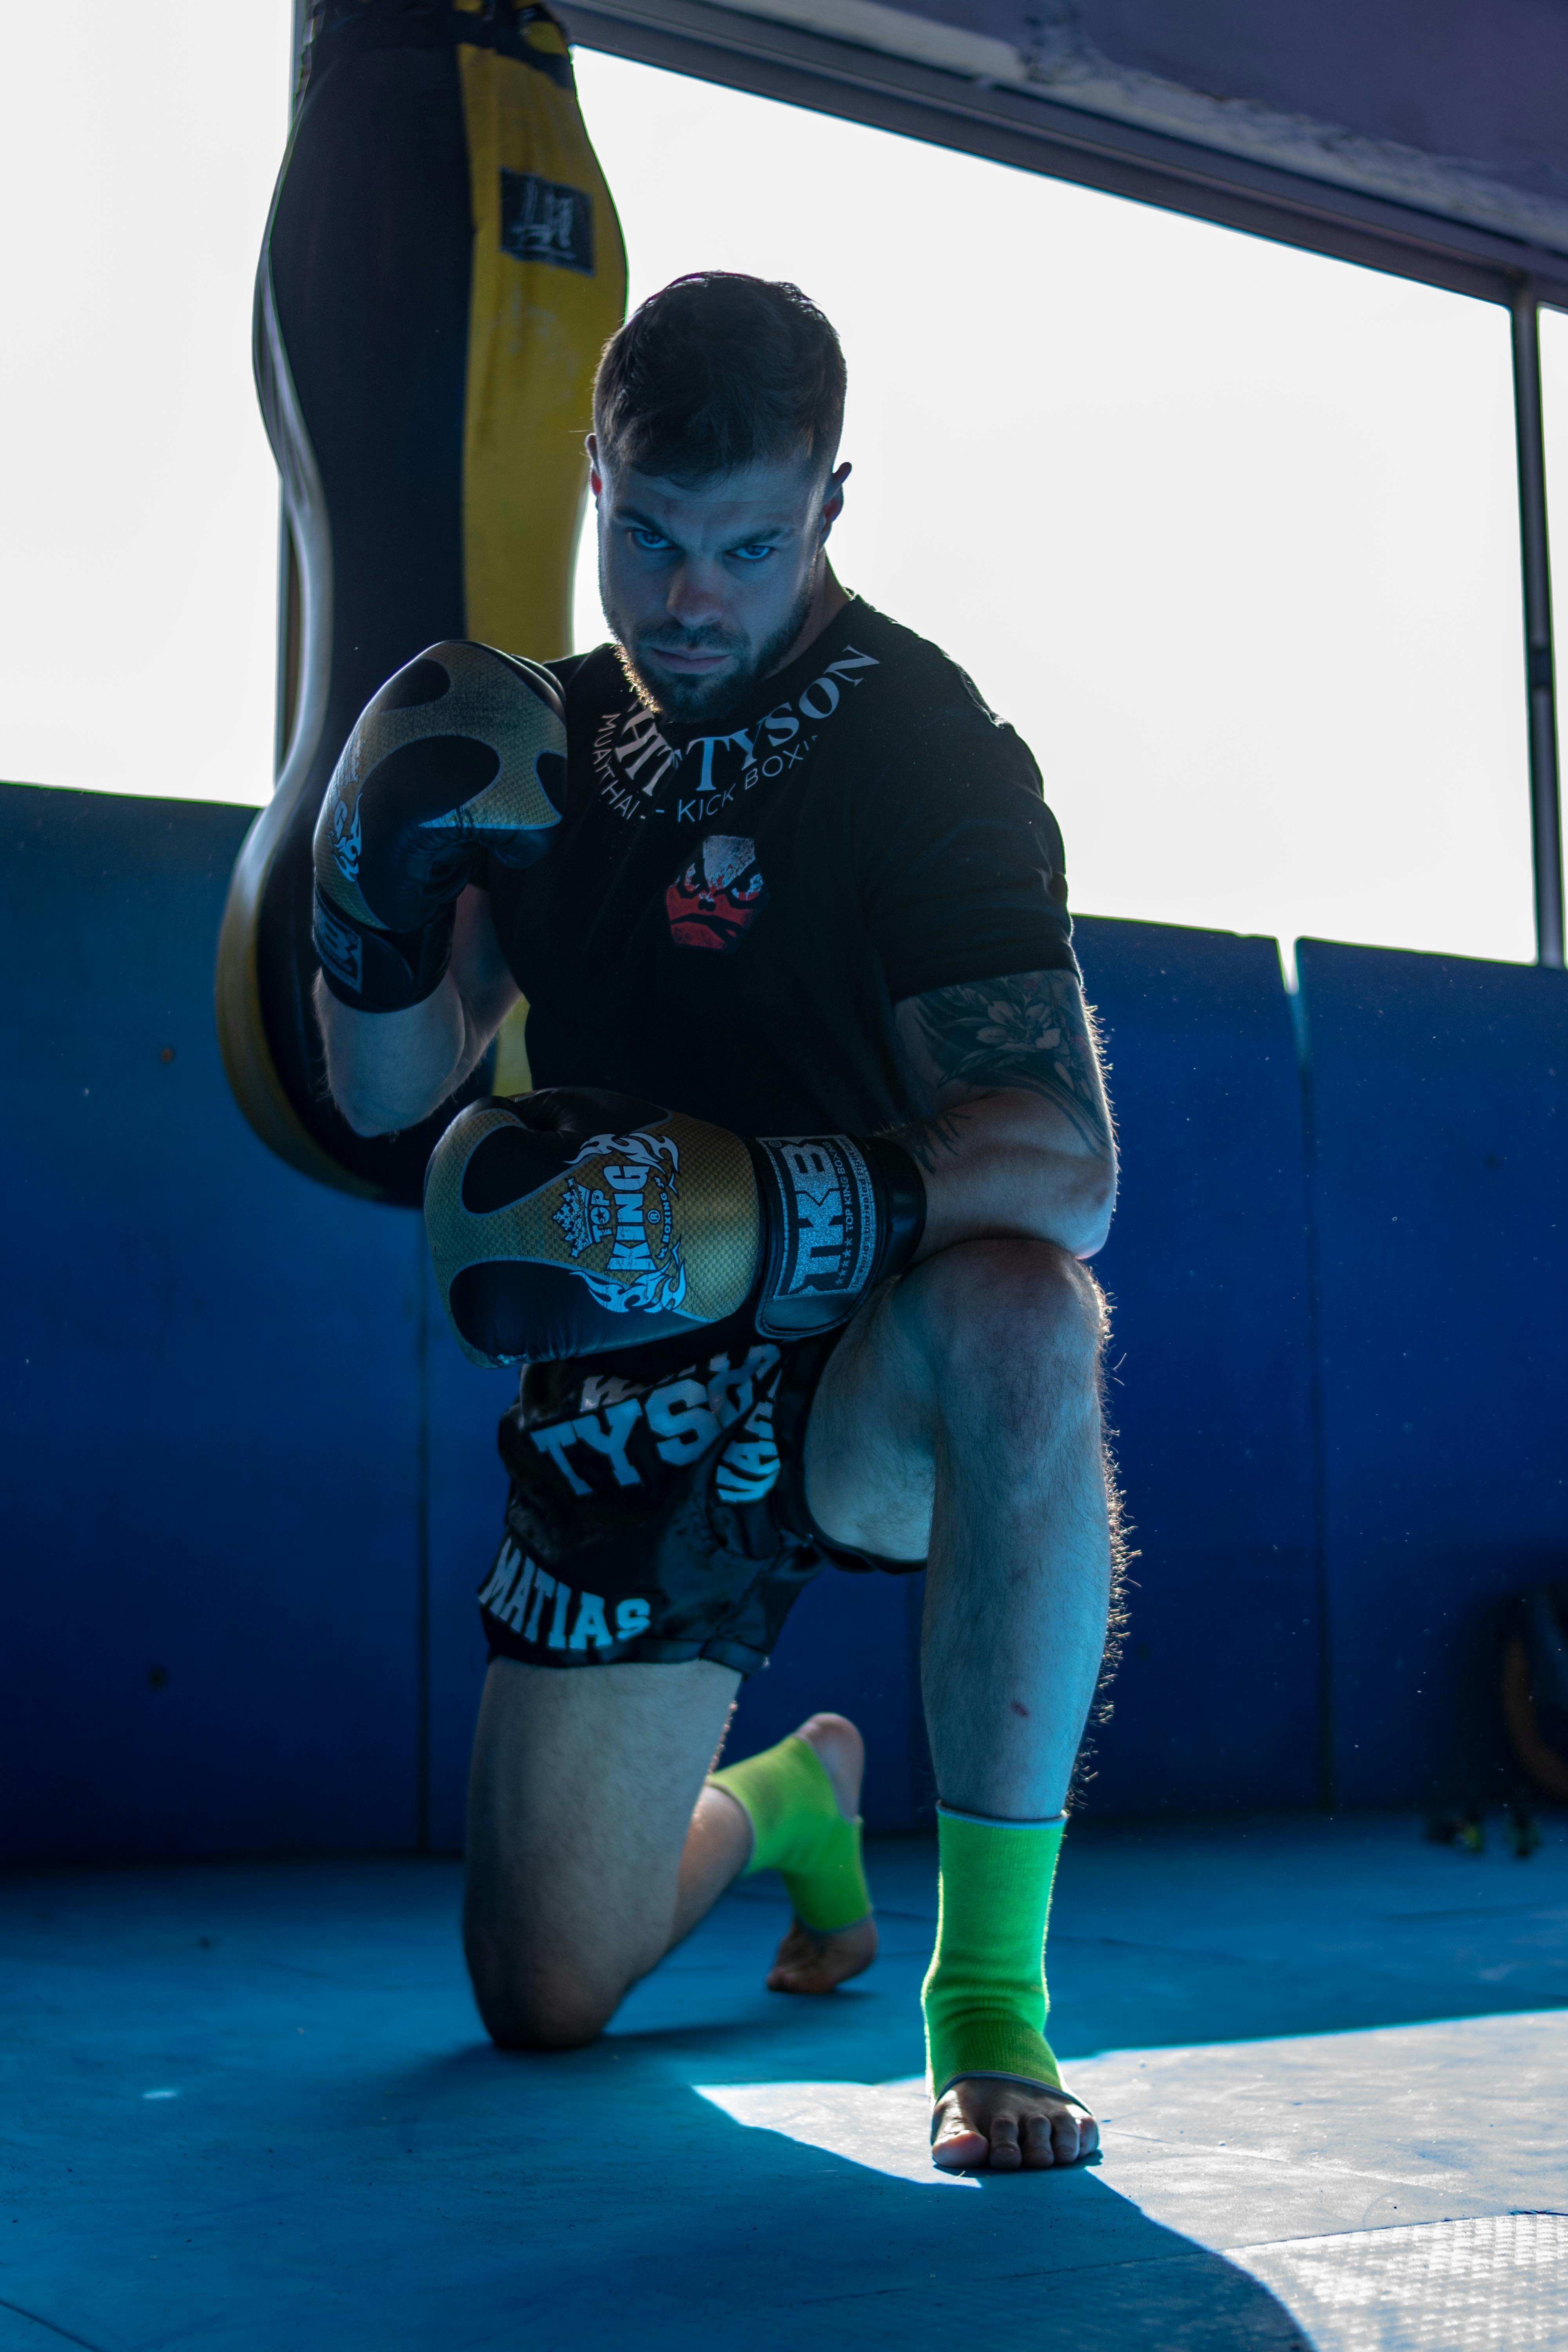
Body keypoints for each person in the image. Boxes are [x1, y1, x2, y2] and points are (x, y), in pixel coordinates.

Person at [312, 272, 1120, 2172]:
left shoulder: (922, 743)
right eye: (650, 539)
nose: (688, 600)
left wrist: (769, 1210)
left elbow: (1065, 1159)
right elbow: (382, 1099)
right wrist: (370, 900)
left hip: (868, 1368)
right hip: (633, 1382)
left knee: (1032, 1317)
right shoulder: (537, 746)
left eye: (746, 548)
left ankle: (986, 1998)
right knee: (541, 1997)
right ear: (592, 478)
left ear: (831, 504)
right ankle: (789, 1804)